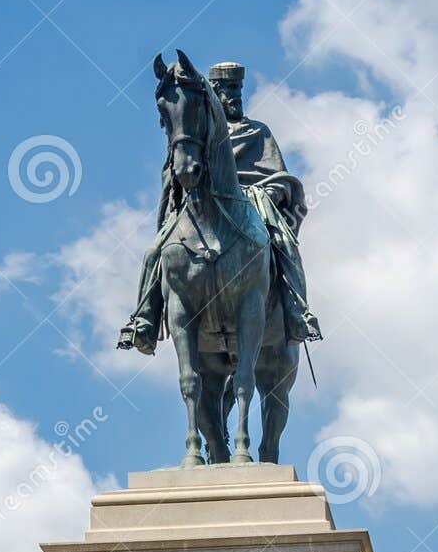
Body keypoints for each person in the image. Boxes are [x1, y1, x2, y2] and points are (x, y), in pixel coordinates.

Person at [117, 59, 320, 355]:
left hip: (252, 204)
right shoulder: (197, 133)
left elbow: (278, 174)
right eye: (225, 88)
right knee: (154, 251)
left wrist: (267, 193)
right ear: (212, 91)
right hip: (199, 207)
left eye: (236, 88)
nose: (232, 95)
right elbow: (174, 170)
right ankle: (144, 320)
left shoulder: (257, 131)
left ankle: (297, 312)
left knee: (282, 241)